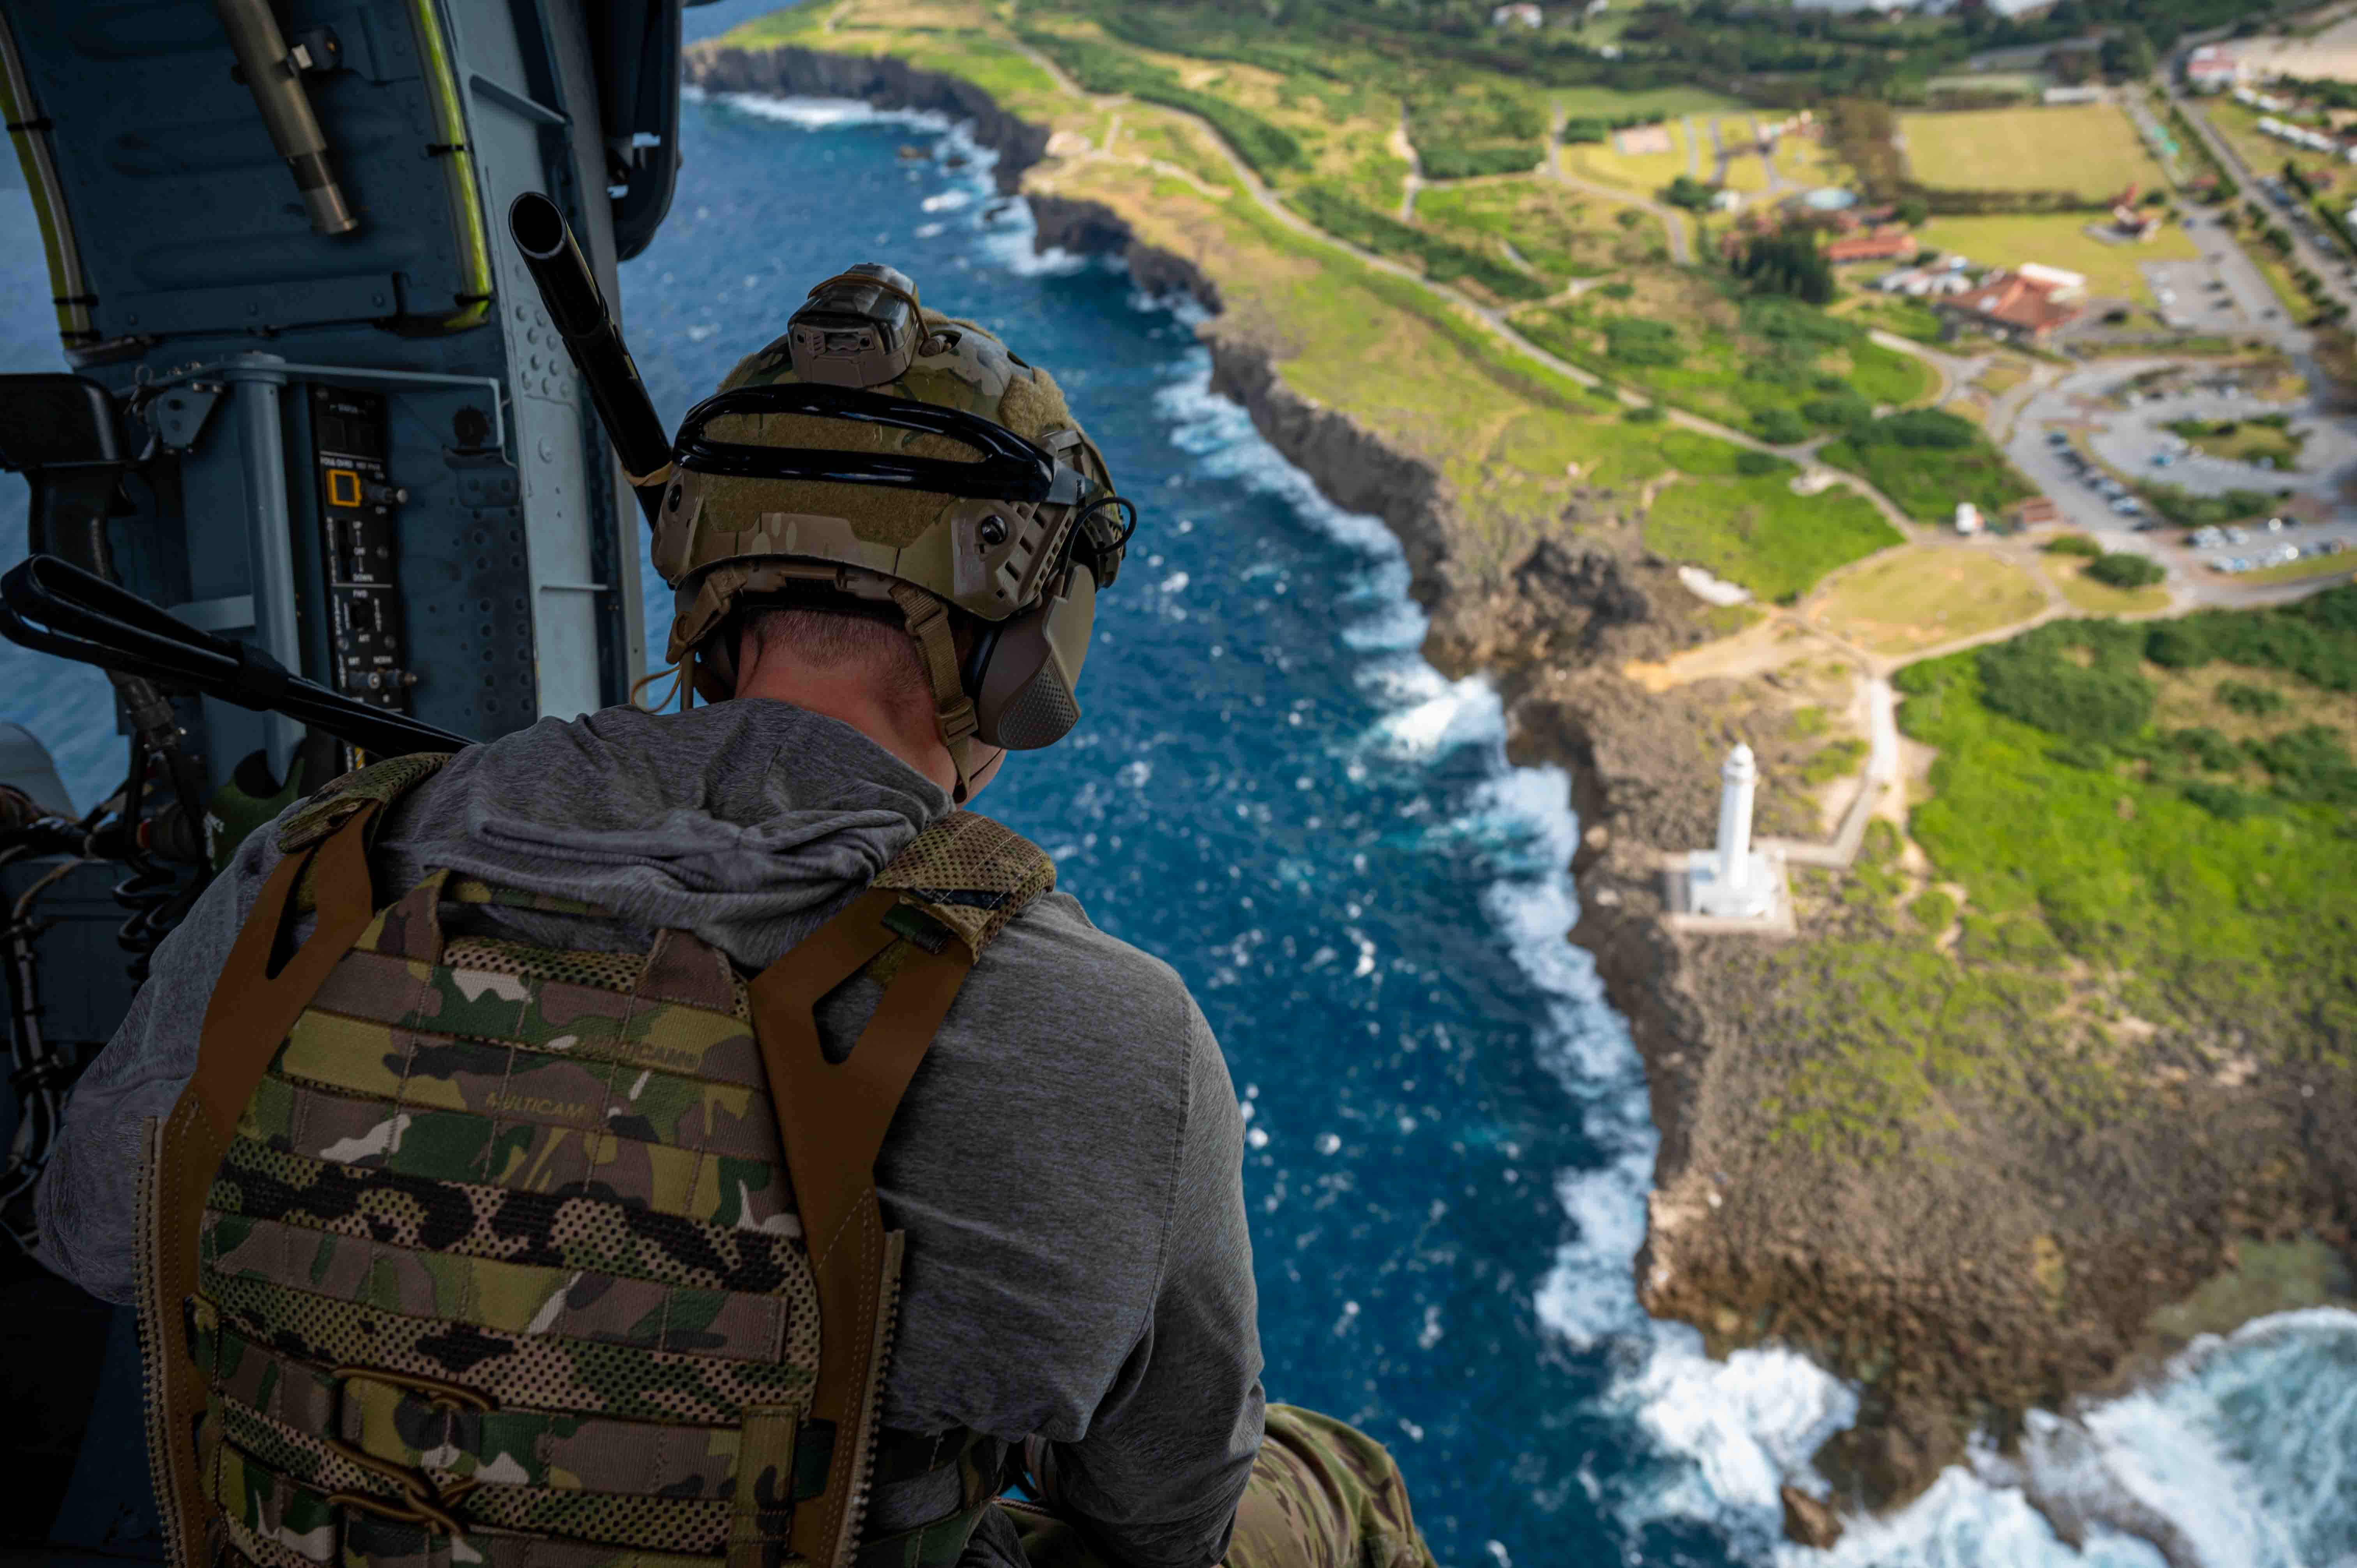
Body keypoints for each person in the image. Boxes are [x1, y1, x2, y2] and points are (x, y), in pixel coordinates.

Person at [35, 284, 1438, 1568]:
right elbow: (1163, 1512)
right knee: (1336, 1487)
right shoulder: (1101, 1031)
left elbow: (100, 1238)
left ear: (707, 583)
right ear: (1027, 649)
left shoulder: (314, 871)